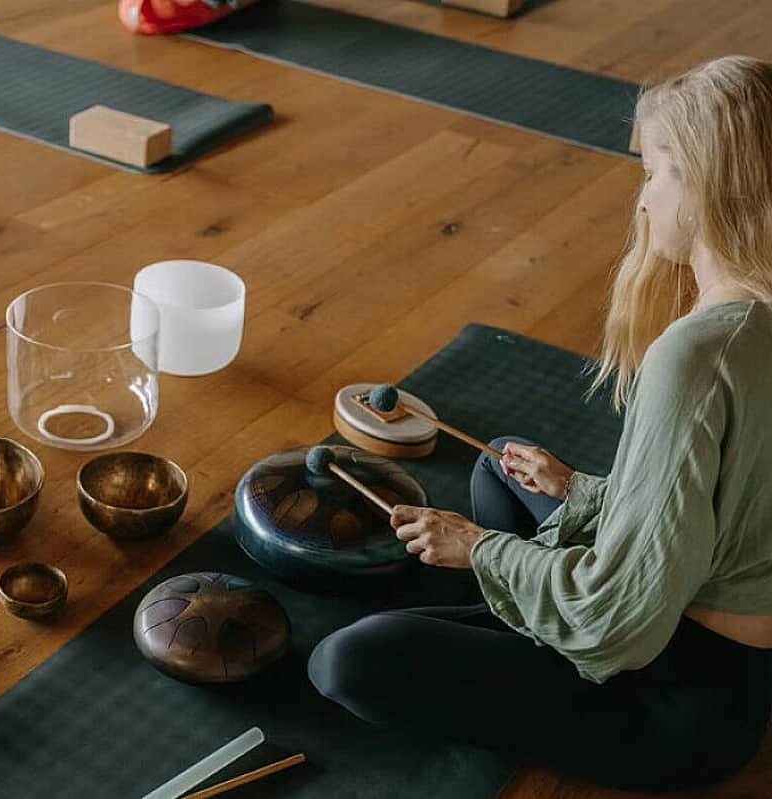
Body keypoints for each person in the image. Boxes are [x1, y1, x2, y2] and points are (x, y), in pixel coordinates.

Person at [308, 55, 772, 792]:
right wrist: (579, 490)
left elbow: (626, 614)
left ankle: (516, 622)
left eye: (653, 174)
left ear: (703, 181)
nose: (644, 202)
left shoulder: (700, 352)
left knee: (346, 661)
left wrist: (481, 550)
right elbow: (727, 516)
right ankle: (514, 611)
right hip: (728, 645)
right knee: (500, 465)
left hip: (675, 698)